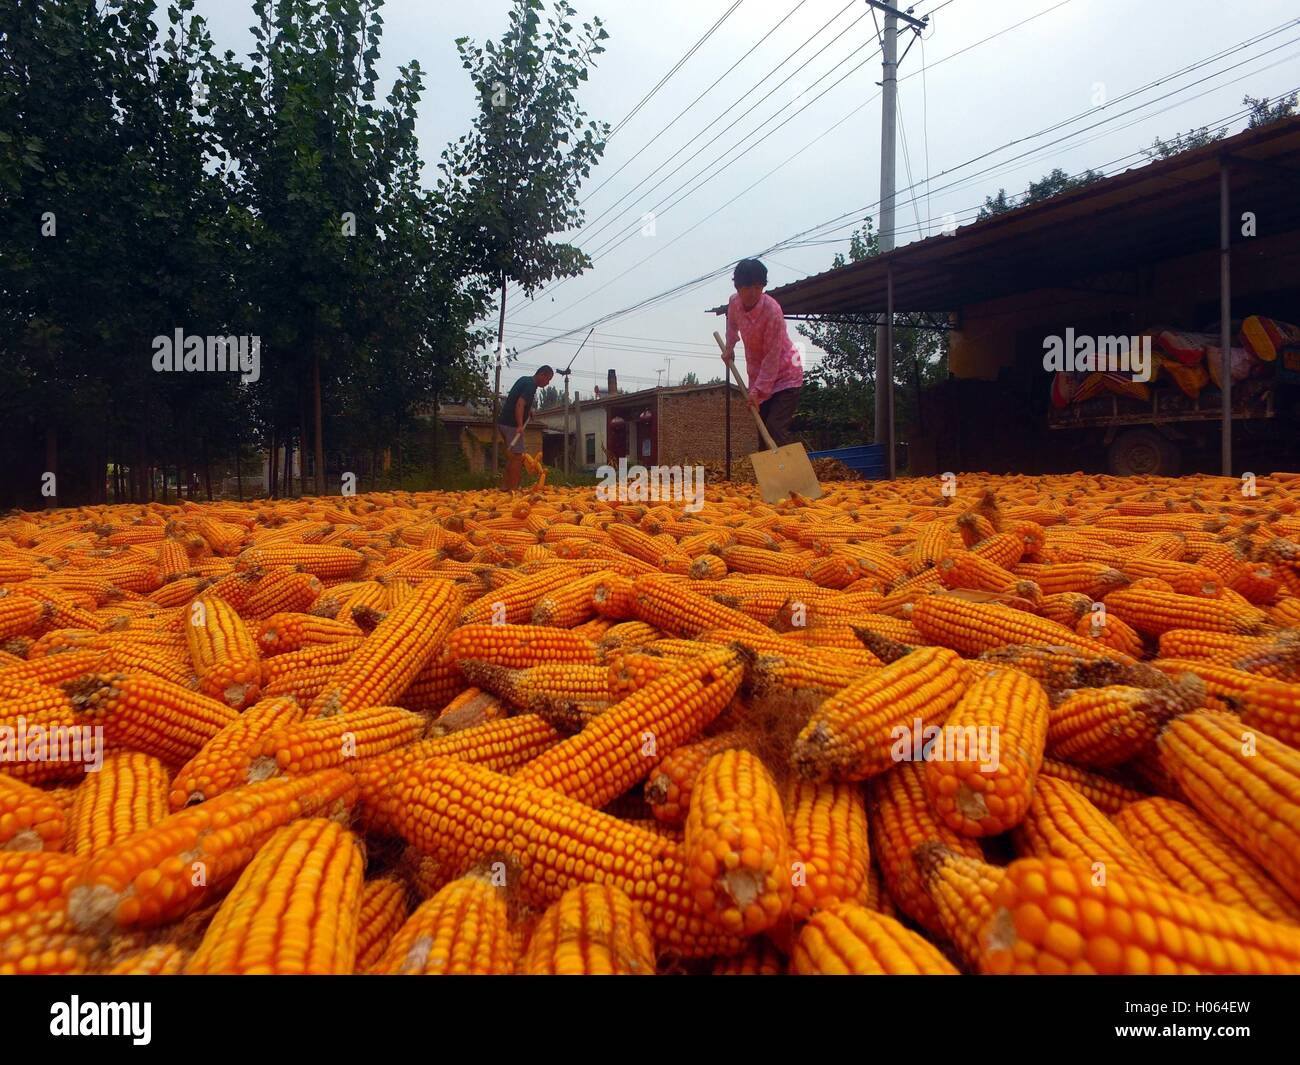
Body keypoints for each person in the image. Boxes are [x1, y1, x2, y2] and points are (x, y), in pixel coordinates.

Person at [721, 258, 804, 447]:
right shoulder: (734, 303)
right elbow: (732, 325)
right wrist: (729, 348)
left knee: (774, 428)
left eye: (758, 287)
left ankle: (789, 474)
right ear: (738, 287)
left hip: (786, 375)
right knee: (762, 433)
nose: (753, 293)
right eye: (748, 287)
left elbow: (772, 357)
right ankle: (770, 477)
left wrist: (757, 391)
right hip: (759, 375)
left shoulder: (772, 311)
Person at [497, 365, 554, 490]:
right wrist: (519, 425)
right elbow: (520, 404)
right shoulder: (530, 385)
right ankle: (514, 488)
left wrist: (529, 411)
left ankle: (505, 487)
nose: (548, 383)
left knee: (512, 456)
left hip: (503, 422)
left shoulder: (525, 380)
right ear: (542, 375)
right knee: (518, 457)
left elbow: (518, 401)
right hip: (511, 424)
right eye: (548, 379)